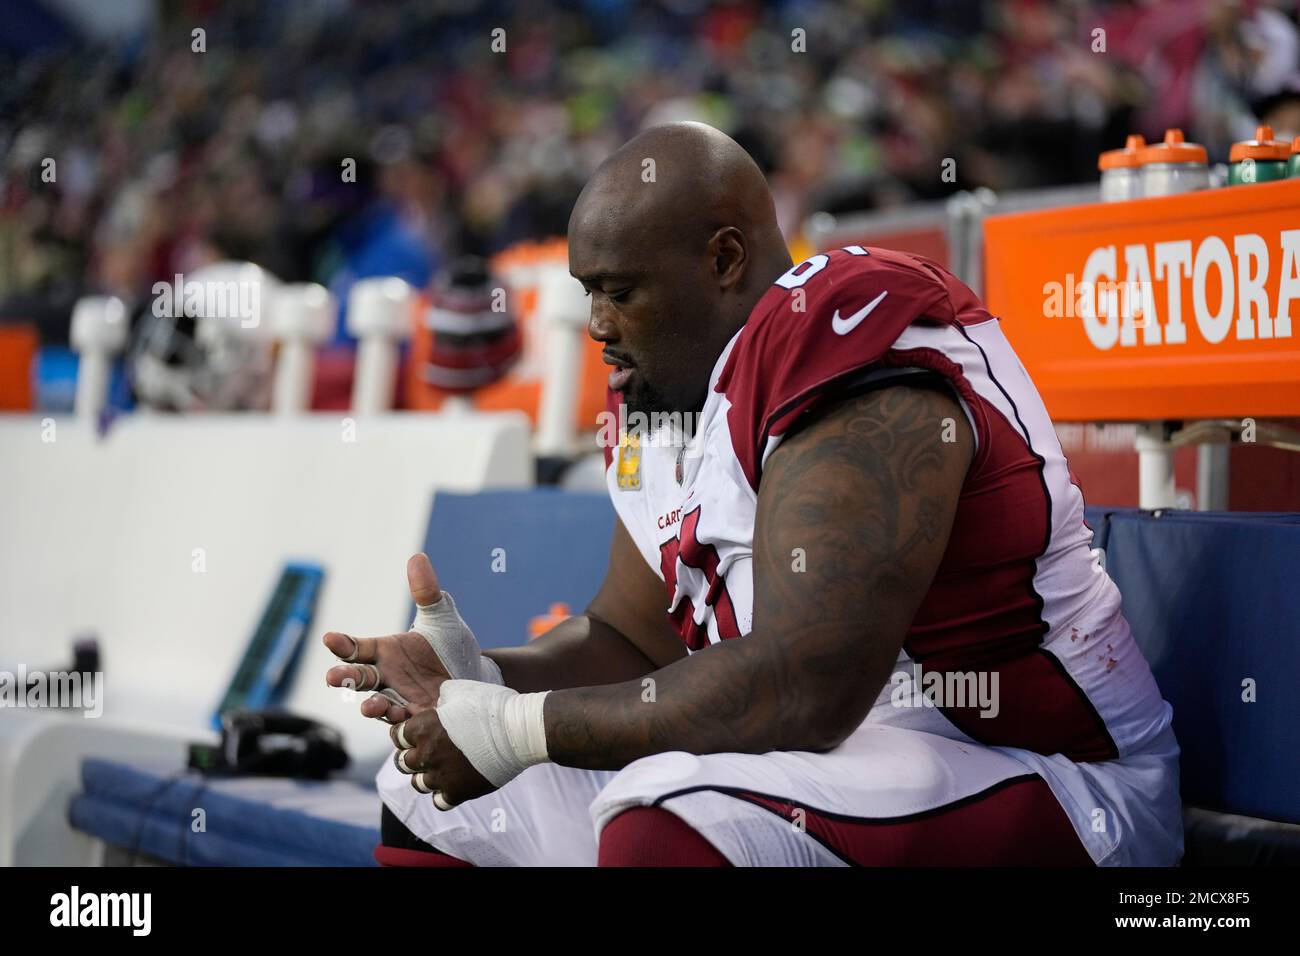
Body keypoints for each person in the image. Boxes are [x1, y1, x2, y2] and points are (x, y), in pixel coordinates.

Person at [324, 122, 1182, 867]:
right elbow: (633, 640)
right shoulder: (669, 397)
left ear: (725, 258)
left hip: (1049, 778)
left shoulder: (850, 338)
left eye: (620, 292)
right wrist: (485, 682)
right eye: (590, 294)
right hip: (853, 766)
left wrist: (514, 728)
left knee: (670, 817)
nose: (596, 326)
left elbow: (810, 686)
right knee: (444, 796)